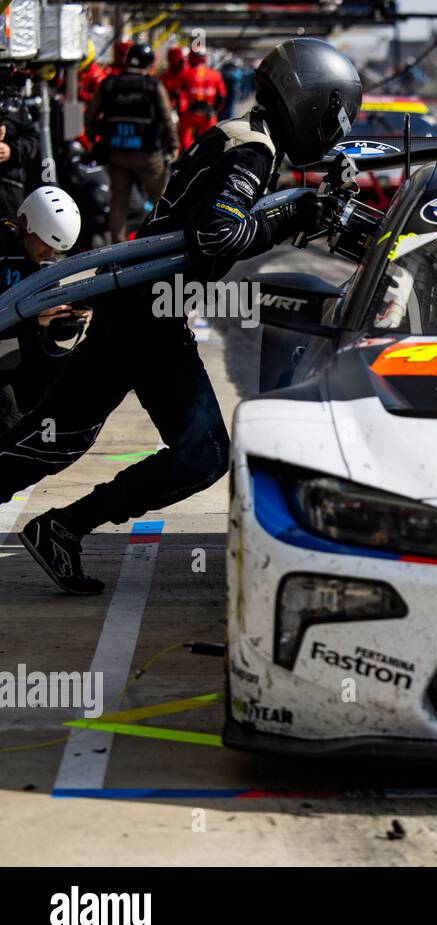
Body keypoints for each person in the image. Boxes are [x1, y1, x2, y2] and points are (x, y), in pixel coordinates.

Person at [0, 37, 362, 594]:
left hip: (146, 311)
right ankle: (64, 527)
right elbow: (217, 233)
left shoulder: (248, 137)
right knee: (198, 451)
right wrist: (292, 218)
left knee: (55, 440)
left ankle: (62, 529)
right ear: (309, 105)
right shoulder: (254, 151)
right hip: (146, 316)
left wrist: (296, 208)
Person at [0, 187, 87, 430]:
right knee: (13, 432)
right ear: (25, 224)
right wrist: (33, 319)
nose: (49, 254)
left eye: (55, 250)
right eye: (46, 245)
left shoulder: (46, 260)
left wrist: (68, 318)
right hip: (4, 365)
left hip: (21, 360)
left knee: (82, 378)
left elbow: (51, 335)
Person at [84, 43, 179, 243]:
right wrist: (173, 146)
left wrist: (94, 138)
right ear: (149, 63)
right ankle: (165, 242)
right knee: (161, 201)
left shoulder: (110, 84)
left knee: (118, 203)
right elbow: (166, 118)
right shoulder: (153, 85)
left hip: (117, 153)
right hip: (148, 155)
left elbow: (90, 115)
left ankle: (118, 250)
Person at [0, 67, 41, 221]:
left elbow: (33, 140)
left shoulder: (15, 102)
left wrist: (11, 150)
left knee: (12, 234)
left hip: (9, 184)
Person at [178, 47, 227, 150]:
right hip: (208, 115)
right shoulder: (215, 75)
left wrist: (180, 111)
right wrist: (215, 111)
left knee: (185, 145)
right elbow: (222, 96)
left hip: (189, 115)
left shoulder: (185, 73)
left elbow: (179, 94)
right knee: (208, 146)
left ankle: (186, 162)